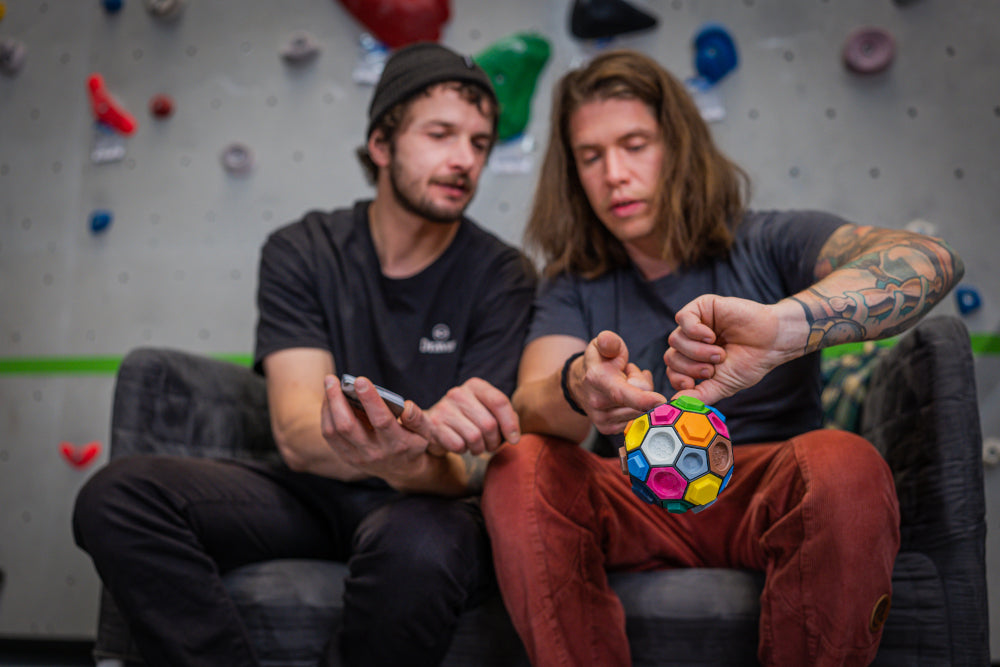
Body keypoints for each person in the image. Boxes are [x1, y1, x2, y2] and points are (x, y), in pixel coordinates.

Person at [481, 49, 964, 667]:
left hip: (768, 494)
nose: (614, 174)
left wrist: (786, 327)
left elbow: (931, 259)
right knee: (519, 463)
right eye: (590, 156)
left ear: (678, 146)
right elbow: (531, 406)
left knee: (845, 462)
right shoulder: (572, 282)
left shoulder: (767, 240)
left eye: (635, 145)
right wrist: (580, 384)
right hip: (635, 499)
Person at [73, 42, 537, 667]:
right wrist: (407, 443)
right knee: (116, 498)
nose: (464, 160)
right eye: (440, 134)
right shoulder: (303, 249)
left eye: (479, 143)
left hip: (426, 501)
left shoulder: (503, 274)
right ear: (381, 144)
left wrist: (410, 464)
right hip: (312, 493)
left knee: (422, 545)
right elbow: (297, 433)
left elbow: (467, 468)